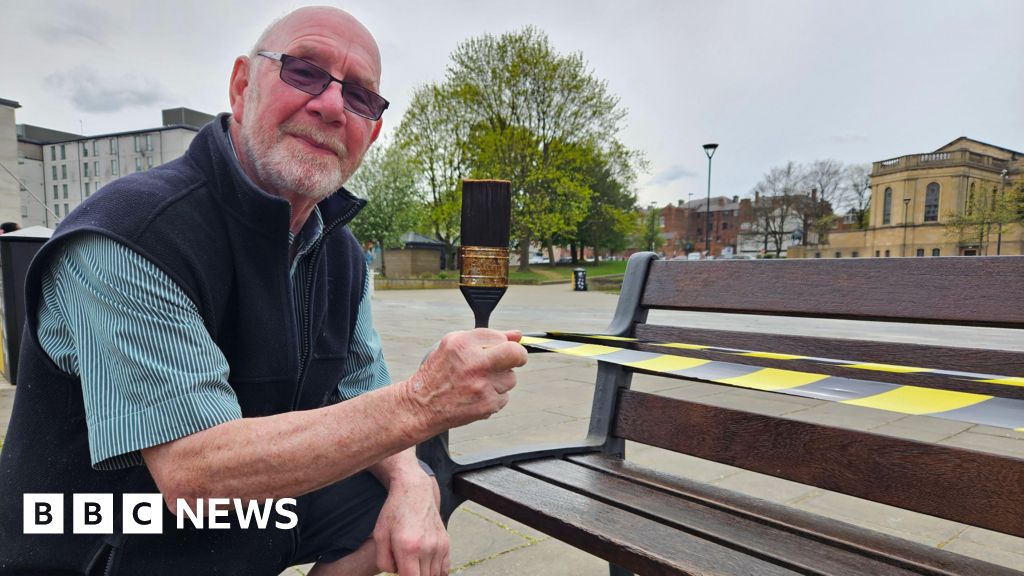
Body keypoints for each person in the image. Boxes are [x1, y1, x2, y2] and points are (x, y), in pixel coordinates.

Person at [0, 7, 527, 576]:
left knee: (405, 504)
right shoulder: (134, 232)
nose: (330, 106)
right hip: (103, 531)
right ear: (241, 85)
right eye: (303, 71)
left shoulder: (340, 252)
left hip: (243, 517)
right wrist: (421, 403)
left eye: (360, 97)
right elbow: (196, 476)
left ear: (370, 133)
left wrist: (414, 483)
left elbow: (362, 392)